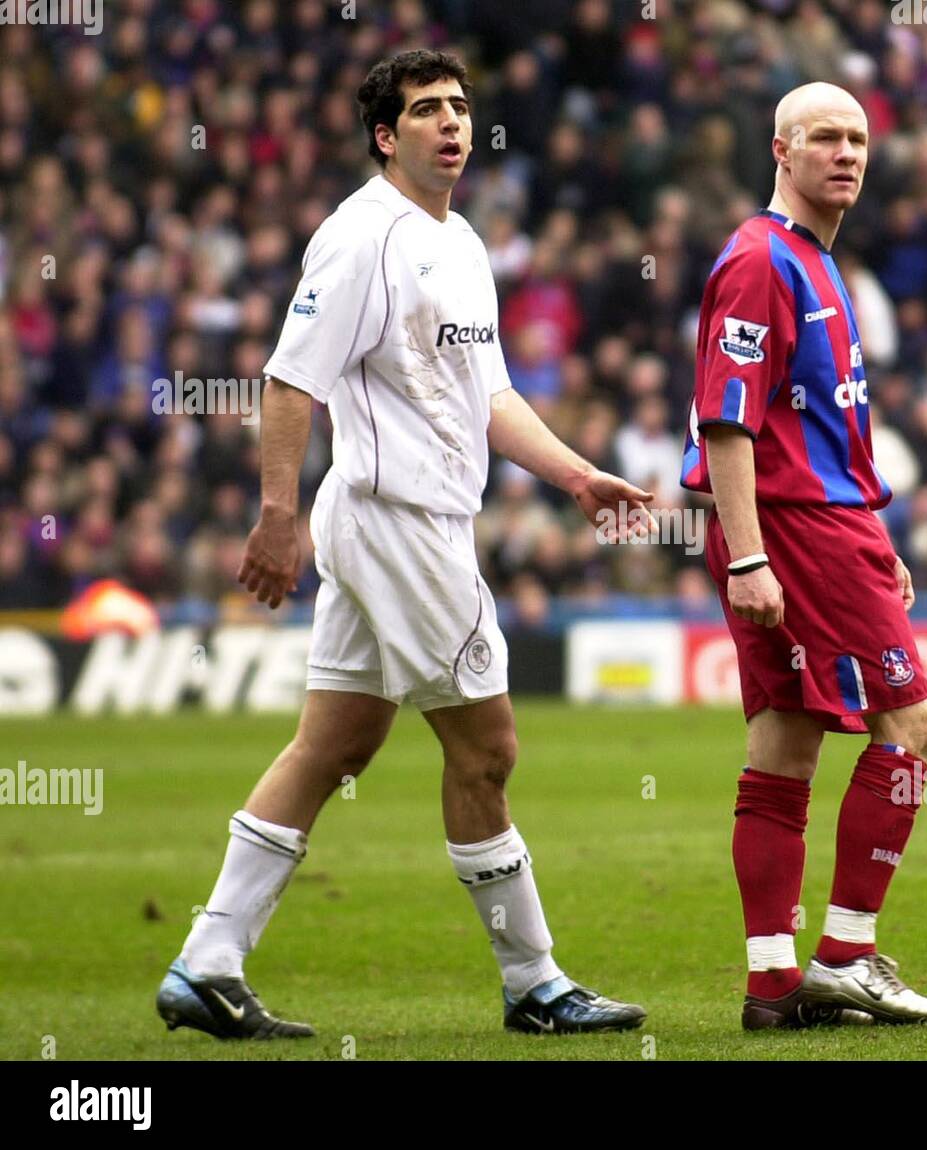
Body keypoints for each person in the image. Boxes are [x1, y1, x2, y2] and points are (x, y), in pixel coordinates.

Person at [156, 50, 651, 1039]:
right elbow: (292, 380)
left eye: (460, 108)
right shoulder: (359, 239)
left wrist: (576, 475)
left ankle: (205, 963)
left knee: (334, 741)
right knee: (489, 747)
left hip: (406, 519)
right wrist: (274, 513)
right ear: (385, 134)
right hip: (400, 523)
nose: (451, 124)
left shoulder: (460, 241)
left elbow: (492, 398)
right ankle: (535, 982)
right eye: (427, 110)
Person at [681, 82, 927, 1030]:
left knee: (786, 741)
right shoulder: (760, 259)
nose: (847, 154)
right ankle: (848, 953)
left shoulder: (816, 262)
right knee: (913, 731)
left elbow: (820, 428)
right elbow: (727, 418)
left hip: (823, 524)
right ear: (780, 151)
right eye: (825, 138)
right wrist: (752, 557)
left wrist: (874, 533)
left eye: (860, 139)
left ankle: (772, 984)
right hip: (792, 529)